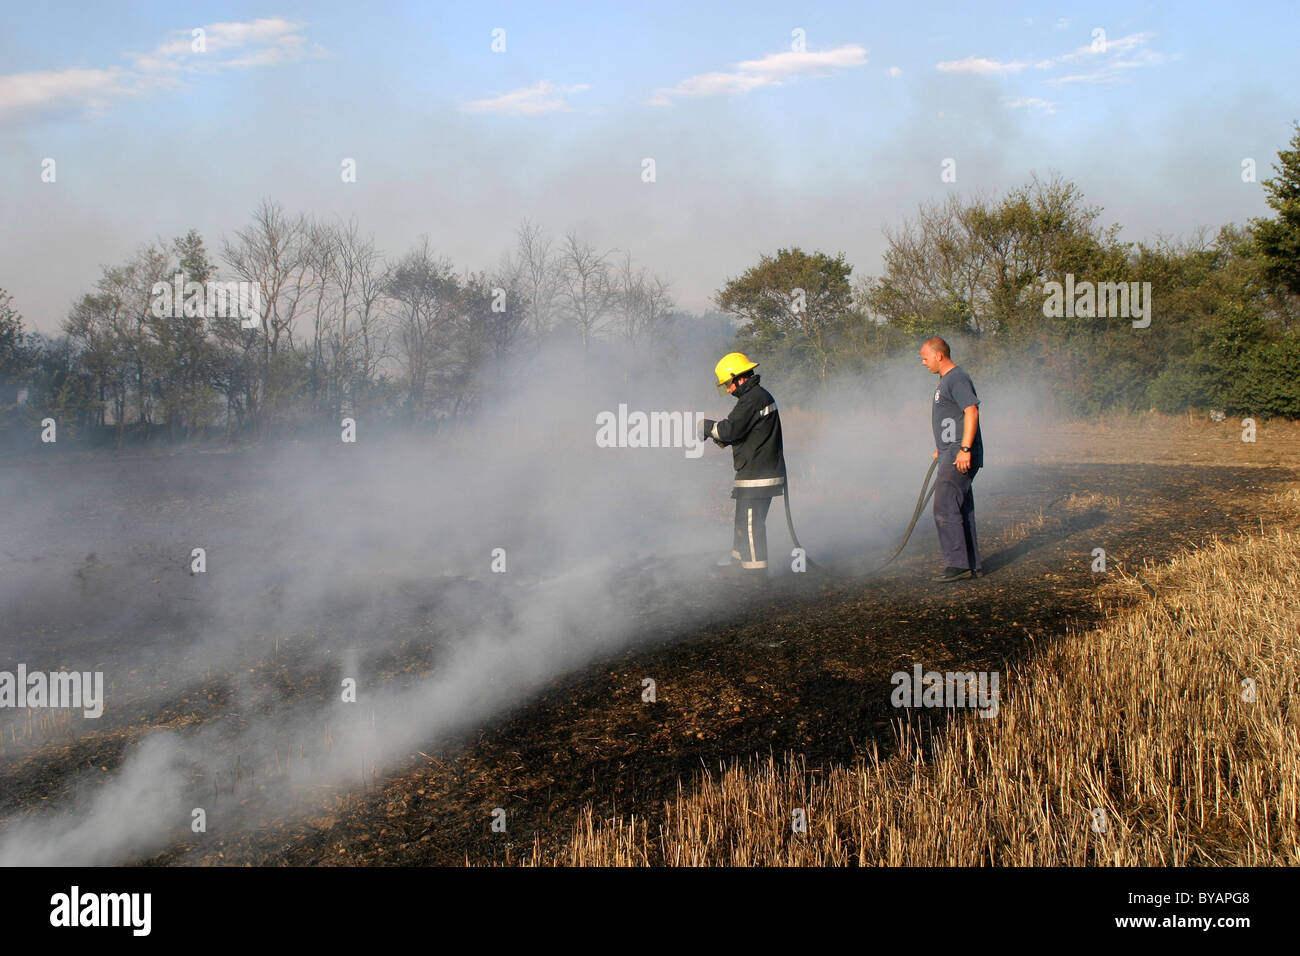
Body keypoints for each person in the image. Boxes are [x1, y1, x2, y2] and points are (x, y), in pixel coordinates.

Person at [699, 352, 786, 574]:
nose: (728, 390)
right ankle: (738, 564)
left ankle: (755, 576)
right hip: (755, 470)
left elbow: (730, 430)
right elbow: (745, 432)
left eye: (728, 384)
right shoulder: (757, 397)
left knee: (751, 525)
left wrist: (706, 427)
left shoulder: (752, 399)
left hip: (758, 474)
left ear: (740, 378)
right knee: (742, 521)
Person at [920, 337, 983, 581]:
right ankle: (970, 564)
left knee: (944, 506)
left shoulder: (956, 378)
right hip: (951, 452)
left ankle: (957, 564)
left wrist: (964, 449)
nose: (923, 363)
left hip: (959, 456)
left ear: (939, 356)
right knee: (960, 507)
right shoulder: (946, 380)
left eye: (925, 358)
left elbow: (971, 410)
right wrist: (942, 446)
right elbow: (953, 417)